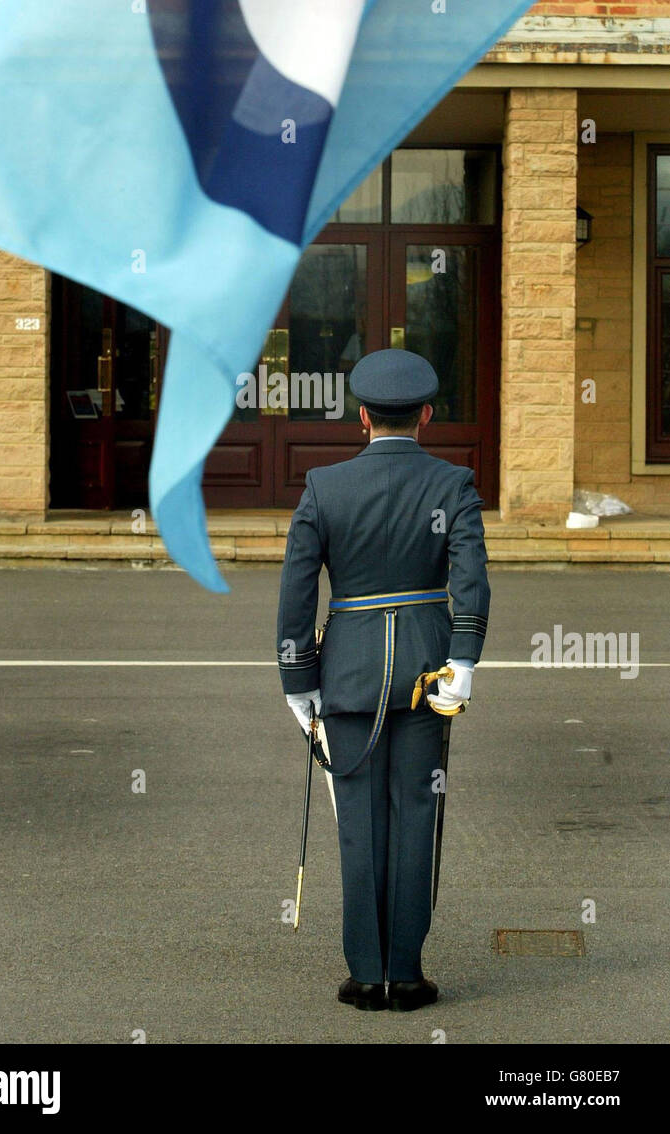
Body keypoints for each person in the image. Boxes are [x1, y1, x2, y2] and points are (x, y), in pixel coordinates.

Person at [276, 348, 490, 1011]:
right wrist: (463, 660)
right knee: (415, 815)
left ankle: (367, 975)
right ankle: (408, 973)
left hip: (349, 670)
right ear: (425, 415)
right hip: (427, 670)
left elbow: (296, 593)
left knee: (359, 825)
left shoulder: (322, 486)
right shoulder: (453, 485)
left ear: (360, 417)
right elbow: (470, 582)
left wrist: (296, 679)